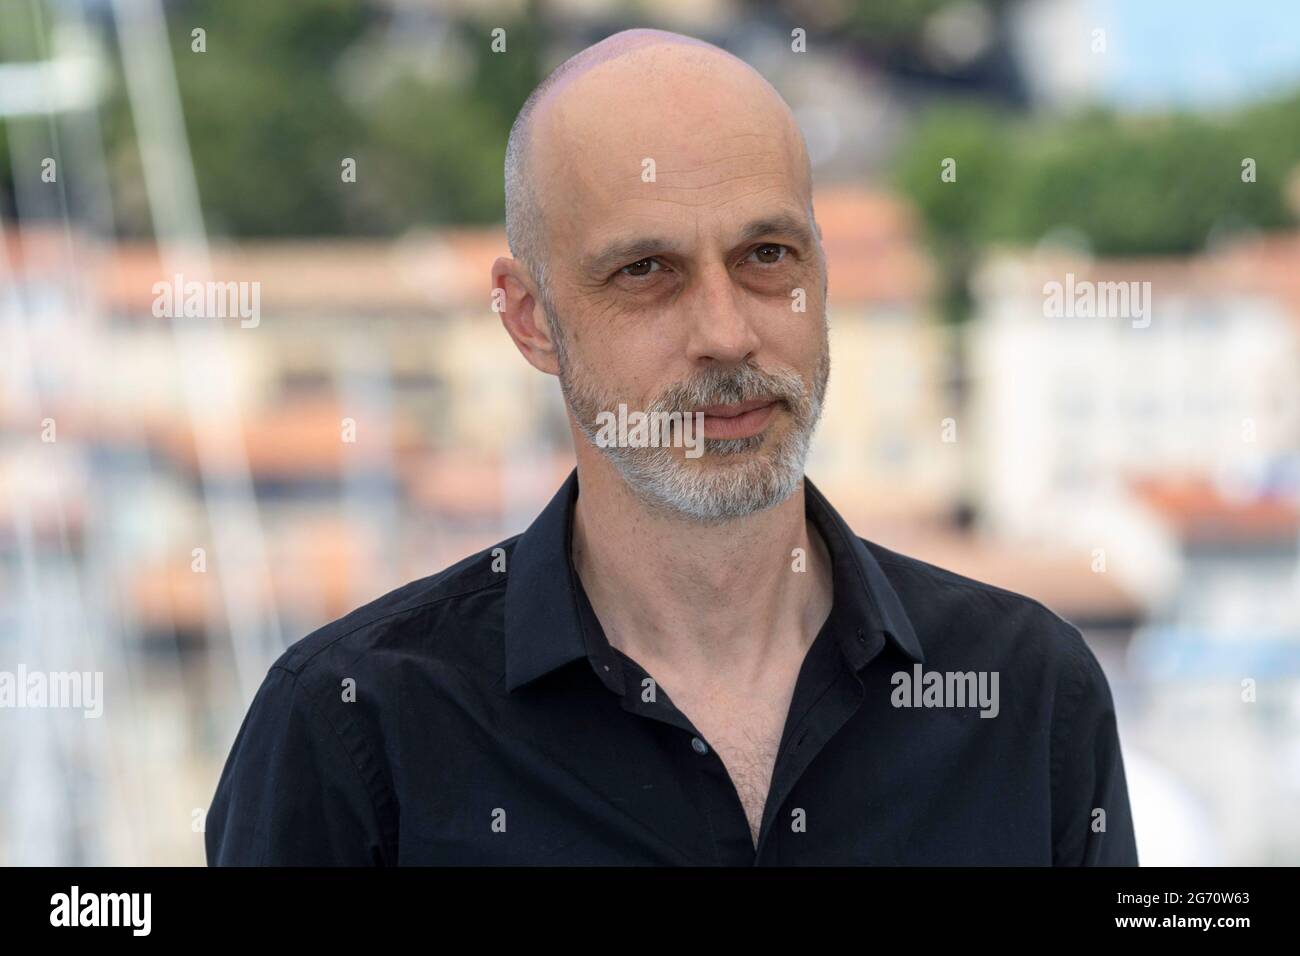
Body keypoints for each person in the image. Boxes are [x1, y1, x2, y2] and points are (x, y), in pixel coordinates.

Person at [206, 28, 1138, 865]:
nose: (727, 335)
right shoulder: (352, 728)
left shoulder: (1028, 697)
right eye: (645, 272)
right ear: (530, 318)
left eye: (766, 256)